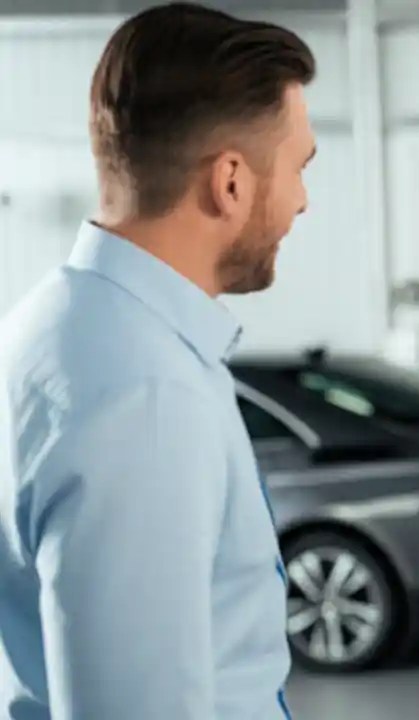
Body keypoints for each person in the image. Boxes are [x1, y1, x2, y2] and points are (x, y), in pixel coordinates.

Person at [0, 4, 316, 718]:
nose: (302, 200)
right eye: (300, 166)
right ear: (230, 181)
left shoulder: (57, 325)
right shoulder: (146, 395)